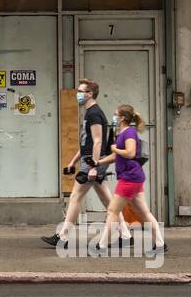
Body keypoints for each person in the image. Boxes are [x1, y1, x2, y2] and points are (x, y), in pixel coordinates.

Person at [42, 79, 130, 247]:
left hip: (92, 161)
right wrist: (73, 161)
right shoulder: (89, 113)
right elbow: (86, 142)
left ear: (90, 94)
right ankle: (125, 234)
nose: (78, 94)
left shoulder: (94, 113)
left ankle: (63, 236)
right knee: (107, 200)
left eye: (81, 91)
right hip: (89, 159)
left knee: (75, 197)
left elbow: (97, 142)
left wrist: (94, 166)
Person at [93, 104, 166, 253]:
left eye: (116, 114)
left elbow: (130, 153)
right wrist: (98, 162)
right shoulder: (121, 133)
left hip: (129, 178)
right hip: (133, 177)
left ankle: (101, 246)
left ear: (122, 118)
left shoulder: (130, 133)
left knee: (112, 211)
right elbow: (116, 156)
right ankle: (160, 245)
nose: (113, 117)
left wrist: (115, 148)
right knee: (144, 213)